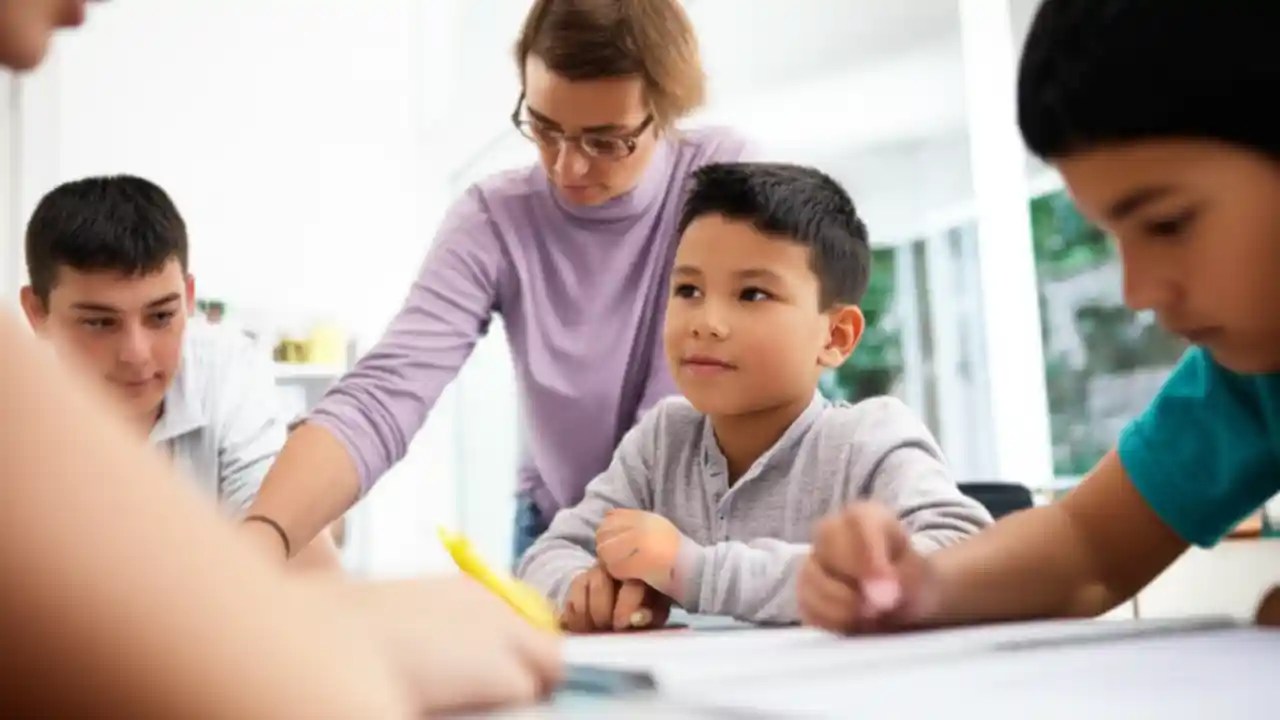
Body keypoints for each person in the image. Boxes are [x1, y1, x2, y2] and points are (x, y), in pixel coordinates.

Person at [0, 1, 561, 716]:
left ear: (192, 299)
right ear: (35, 314)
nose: (137, 353)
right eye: (98, 323)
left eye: (162, 316)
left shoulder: (224, 372)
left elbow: (310, 583)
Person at [797, 0, 1280, 635]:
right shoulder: (1249, 380)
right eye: (1114, 237)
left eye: (1169, 223)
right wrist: (923, 584)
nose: (1136, 291)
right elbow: (1088, 546)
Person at [242, 0, 753, 566]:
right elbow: (388, 391)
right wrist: (261, 538)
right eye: (545, 128)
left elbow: (680, 407)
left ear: (665, 107)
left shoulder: (721, 178)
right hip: (555, 528)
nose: (566, 168)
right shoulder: (495, 218)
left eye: (604, 141)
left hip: (698, 524)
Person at [517, 162, 992, 632]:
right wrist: (582, 588)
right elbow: (547, 554)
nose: (706, 321)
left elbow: (962, 553)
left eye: (753, 295)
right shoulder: (664, 439)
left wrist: (695, 571)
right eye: (688, 289)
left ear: (836, 336)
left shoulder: (868, 437)